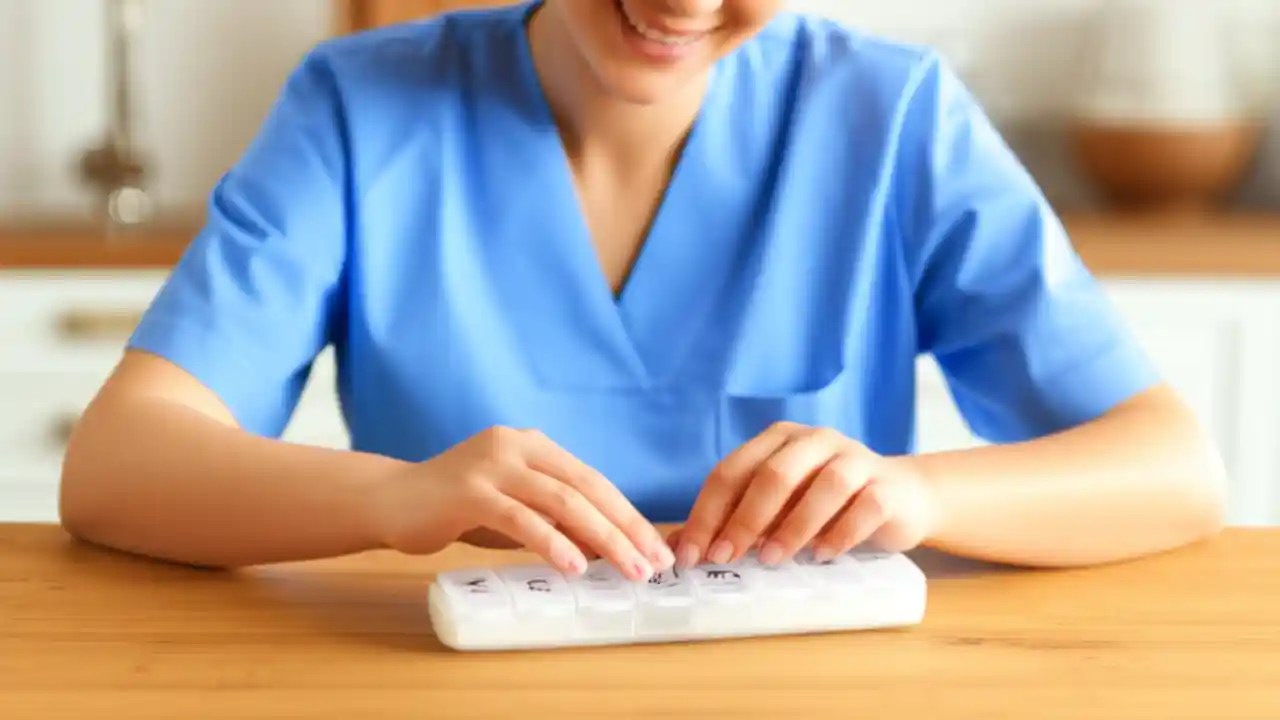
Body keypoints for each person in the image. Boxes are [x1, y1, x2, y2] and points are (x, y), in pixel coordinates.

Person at [60, 0, 1225, 580]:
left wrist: (915, 495)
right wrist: (394, 496)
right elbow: (118, 465)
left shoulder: (893, 117)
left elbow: (1170, 466)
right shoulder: (359, 108)